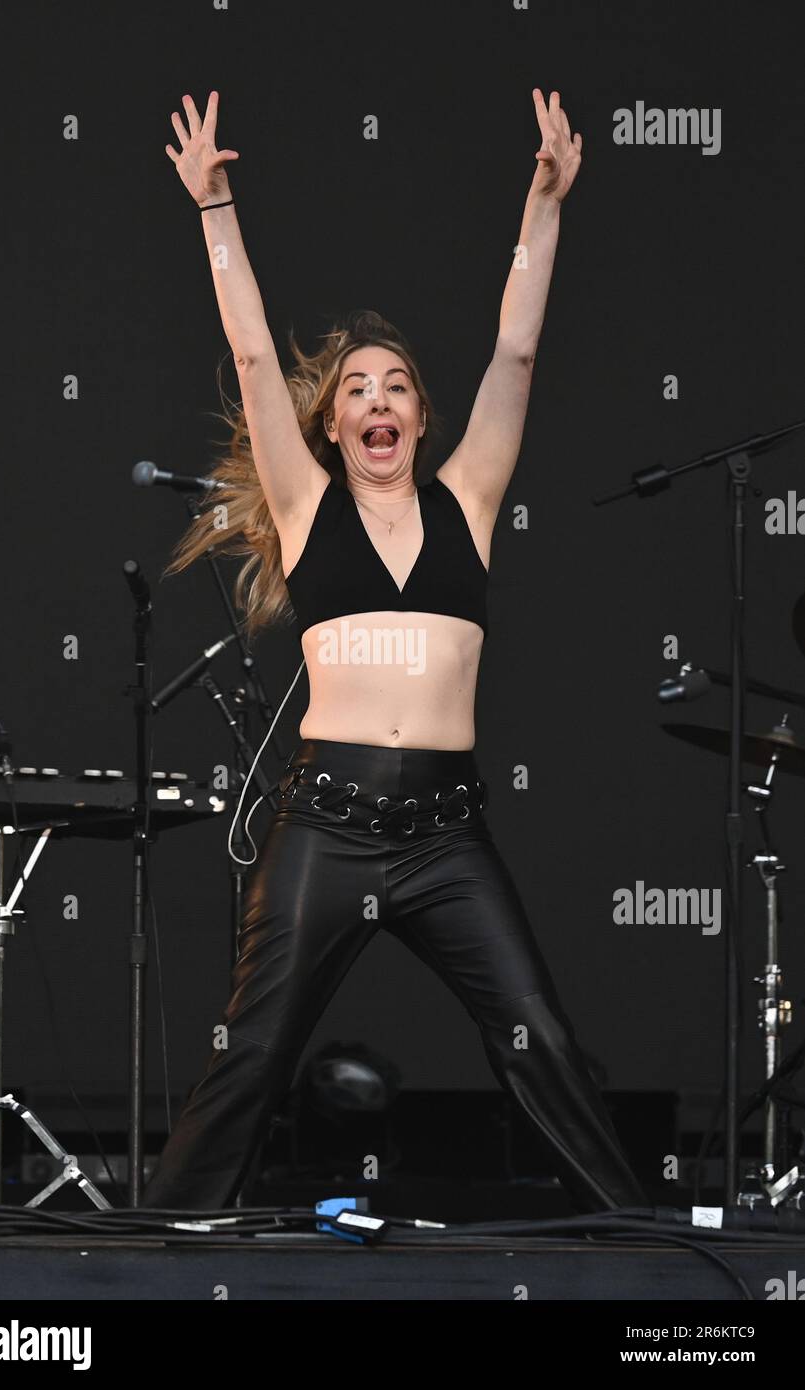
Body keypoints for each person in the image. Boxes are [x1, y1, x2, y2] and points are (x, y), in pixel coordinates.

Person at [141, 88, 648, 1213]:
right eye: (358, 390)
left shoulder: (468, 501)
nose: (377, 400)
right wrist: (215, 203)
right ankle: (154, 1252)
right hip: (328, 820)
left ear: (419, 419)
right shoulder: (304, 504)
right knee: (254, 1049)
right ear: (335, 427)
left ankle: (642, 1246)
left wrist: (544, 206)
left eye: (398, 387)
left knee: (539, 1036)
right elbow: (253, 355)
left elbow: (515, 349)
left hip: (444, 832)